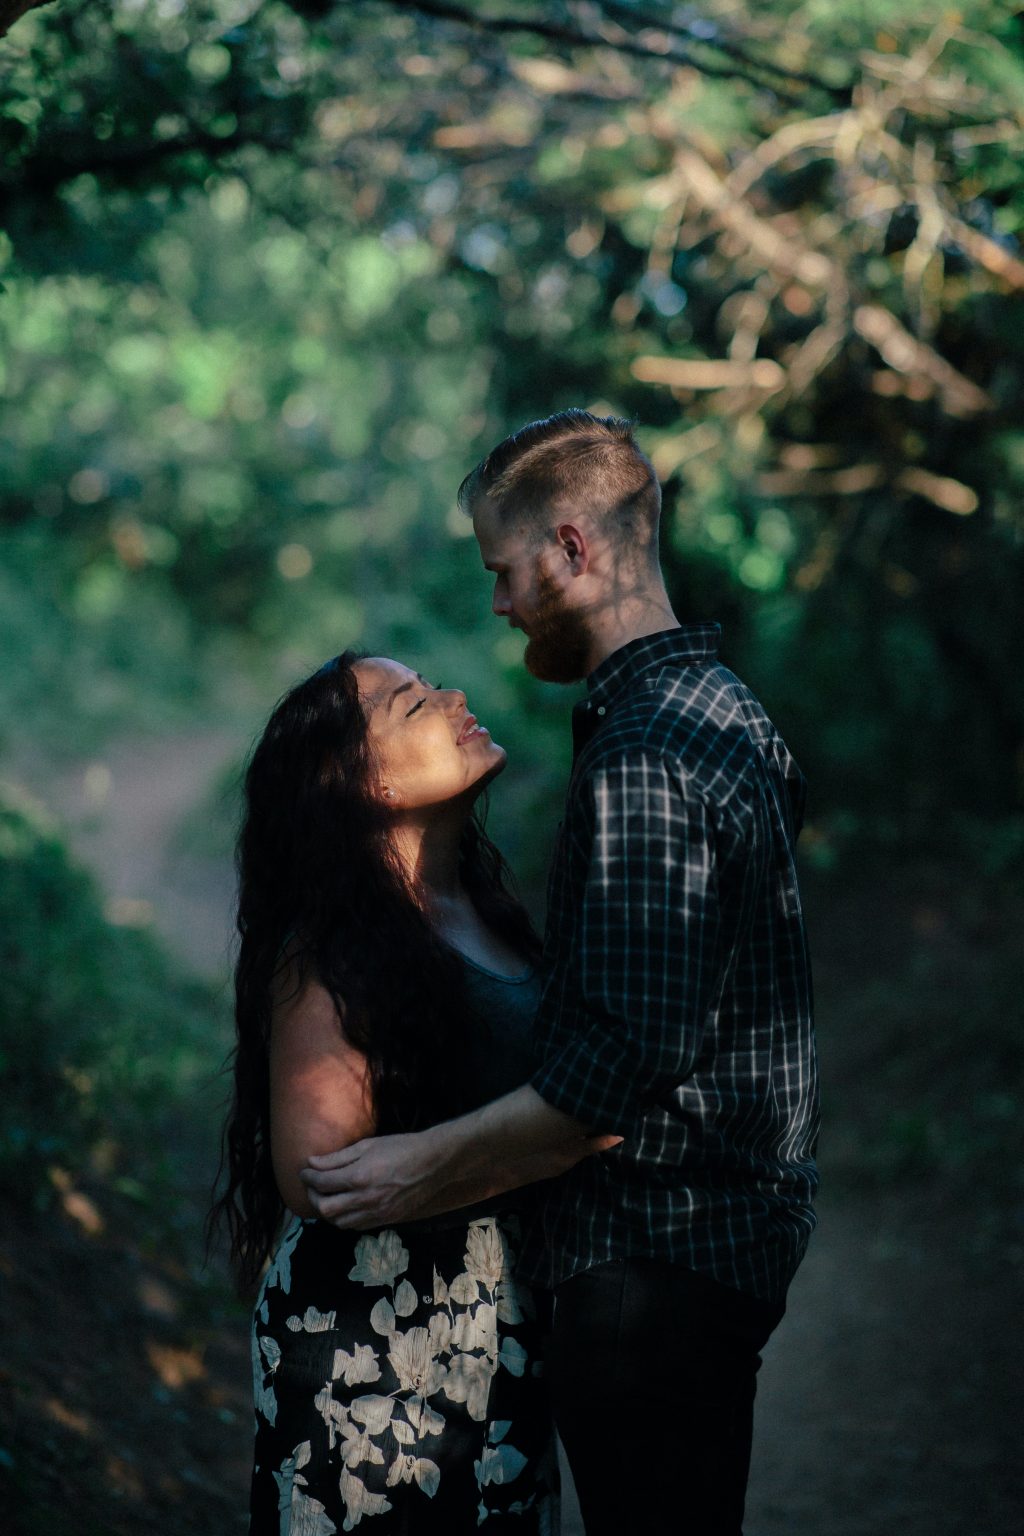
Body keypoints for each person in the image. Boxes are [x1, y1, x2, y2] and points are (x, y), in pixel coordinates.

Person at [301, 411, 821, 1536]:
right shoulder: (729, 712)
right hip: (720, 1249)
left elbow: (618, 1063)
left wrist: (414, 1170)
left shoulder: (641, 751)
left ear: (573, 550)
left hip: (655, 1263)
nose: (498, 604)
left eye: (504, 571)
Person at [209, 651, 616, 1534]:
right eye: (414, 703)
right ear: (358, 783)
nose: (454, 697)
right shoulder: (329, 951)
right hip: (370, 1345)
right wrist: (553, 1139)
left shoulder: (484, 908)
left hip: (497, 1333)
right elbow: (321, 1173)